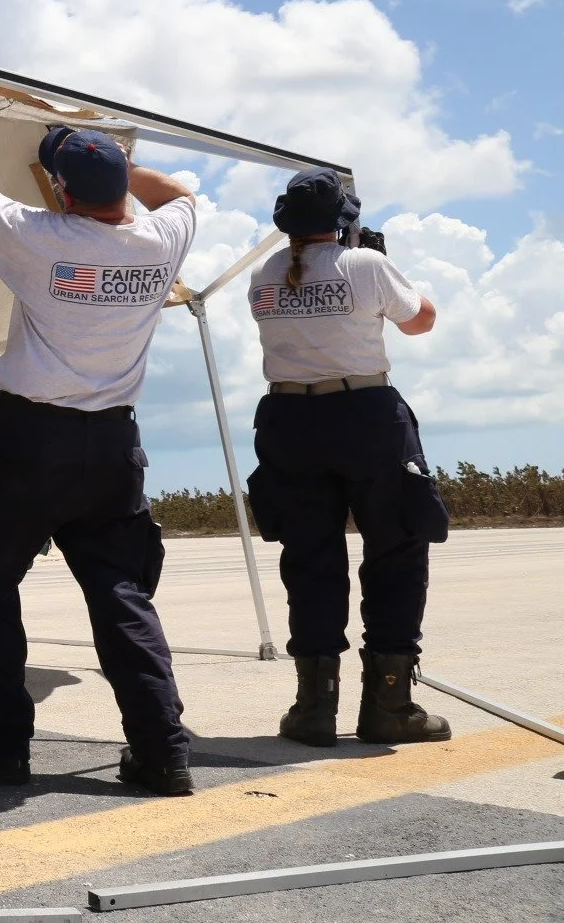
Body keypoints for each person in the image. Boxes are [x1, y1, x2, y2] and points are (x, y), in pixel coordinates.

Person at [0, 92, 196, 797]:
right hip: (111, 446)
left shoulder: (42, 238)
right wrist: (112, 163)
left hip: (30, 442)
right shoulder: (163, 242)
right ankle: (163, 751)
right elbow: (180, 192)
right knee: (120, 594)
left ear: (63, 192)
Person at [245, 168, 448, 748]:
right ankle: (389, 702)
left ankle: (314, 708)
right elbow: (421, 320)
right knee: (396, 546)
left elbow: (296, 306)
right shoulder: (366, 265)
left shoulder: (265, 273)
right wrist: (380, 260)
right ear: (344, 221)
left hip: (289, 420)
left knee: (309, 558)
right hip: (365, 413)